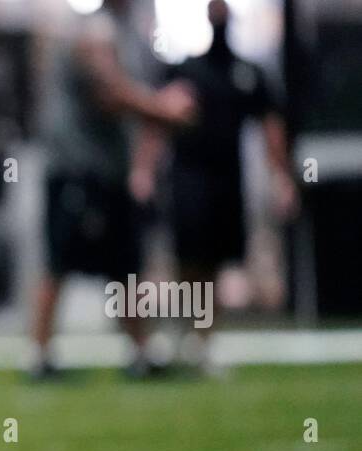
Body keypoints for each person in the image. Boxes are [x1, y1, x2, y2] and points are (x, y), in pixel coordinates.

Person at [31, 0, 197, 380]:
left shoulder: (127, 30)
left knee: (125, 266)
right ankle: (38, 355)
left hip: (108, 172)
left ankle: (140, 353)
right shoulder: (92, 29)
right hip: (77, 168)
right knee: (59, 261)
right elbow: (109, 92)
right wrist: (165, 109)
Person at [131, 0, 298, 376]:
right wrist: (143, 169)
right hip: (187, 176)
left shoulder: (247, 73)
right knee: (188, 257)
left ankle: (202, 340)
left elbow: (271, 125)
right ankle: (184, 327)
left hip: (228, 179)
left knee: (217, 260)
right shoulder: (185, 70)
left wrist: (282, 177)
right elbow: (156, 121)